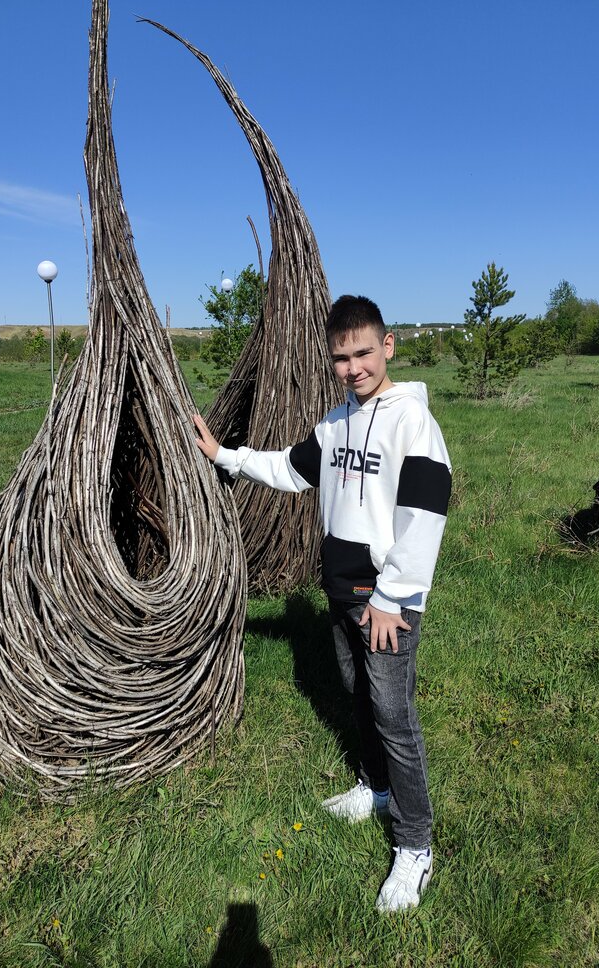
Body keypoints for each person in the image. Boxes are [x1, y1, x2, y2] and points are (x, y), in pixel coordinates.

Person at [193, 295, 451, 912]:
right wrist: (225, 457)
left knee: (394, 713)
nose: (354, 366)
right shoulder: (334, 425)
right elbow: (289, 468)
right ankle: (376, 787)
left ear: (387, 347)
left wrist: (391, 599)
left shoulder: (411, 422)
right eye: (341, 357)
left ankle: (415, 847)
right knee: (356, 692)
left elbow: (424, 518)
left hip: (385, 601)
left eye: (364, 352)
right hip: (340, 591)